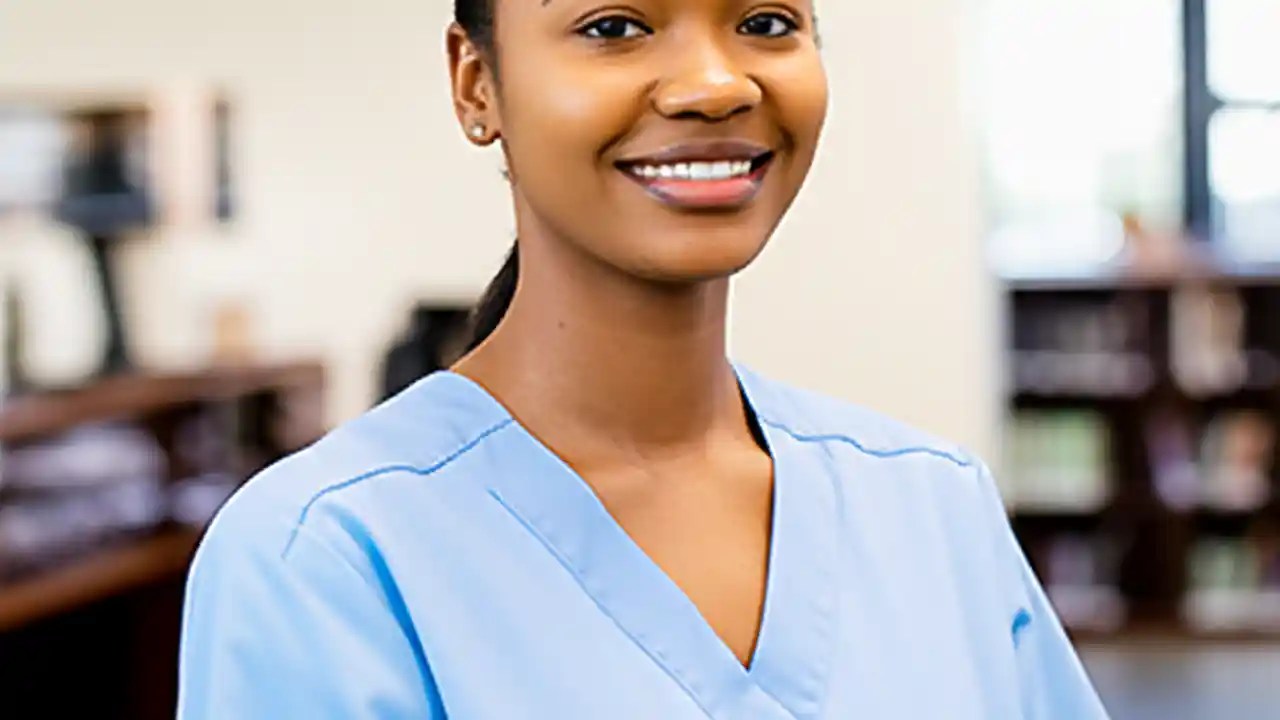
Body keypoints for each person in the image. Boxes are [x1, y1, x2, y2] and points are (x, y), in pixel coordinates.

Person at [178, 1, 1110, 717]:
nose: (714, 84)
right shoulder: (325, 554)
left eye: (765, 22)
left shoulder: (932, 504)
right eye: (615, 25)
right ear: (476, 83)